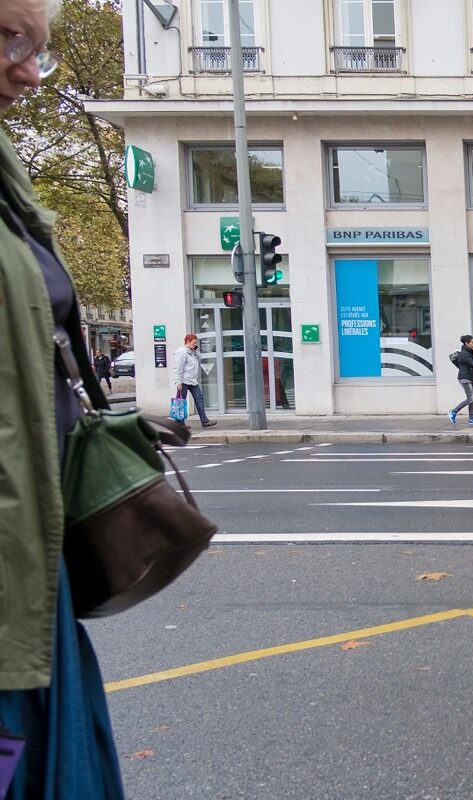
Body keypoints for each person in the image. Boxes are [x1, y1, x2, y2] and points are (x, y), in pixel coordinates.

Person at [0, 1, 128, 796]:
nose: (27, 70)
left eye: (38, 51)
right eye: (12, 39)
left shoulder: (8, 178)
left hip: (25, 543)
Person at [172, 333, 216, 428]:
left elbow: (199, 360)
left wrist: (197, 351)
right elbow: (178, 368)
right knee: (181, 401)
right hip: (184, 381)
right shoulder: (182, 352)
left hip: (192, 381)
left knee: (199, 399)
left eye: (196, 343)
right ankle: (179, 423)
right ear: (187, 341)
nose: (195, 344)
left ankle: (204, 421)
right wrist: (178, 382)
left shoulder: (192, 352)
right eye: (194, 342)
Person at [447, 334, 473, 425]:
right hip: (465, 378)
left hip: (469, 377)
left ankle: (472, 419)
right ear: (467, 343)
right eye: (472, 342)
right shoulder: (464, 354)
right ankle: (453, 411)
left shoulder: (469, 351)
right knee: (470, 398)